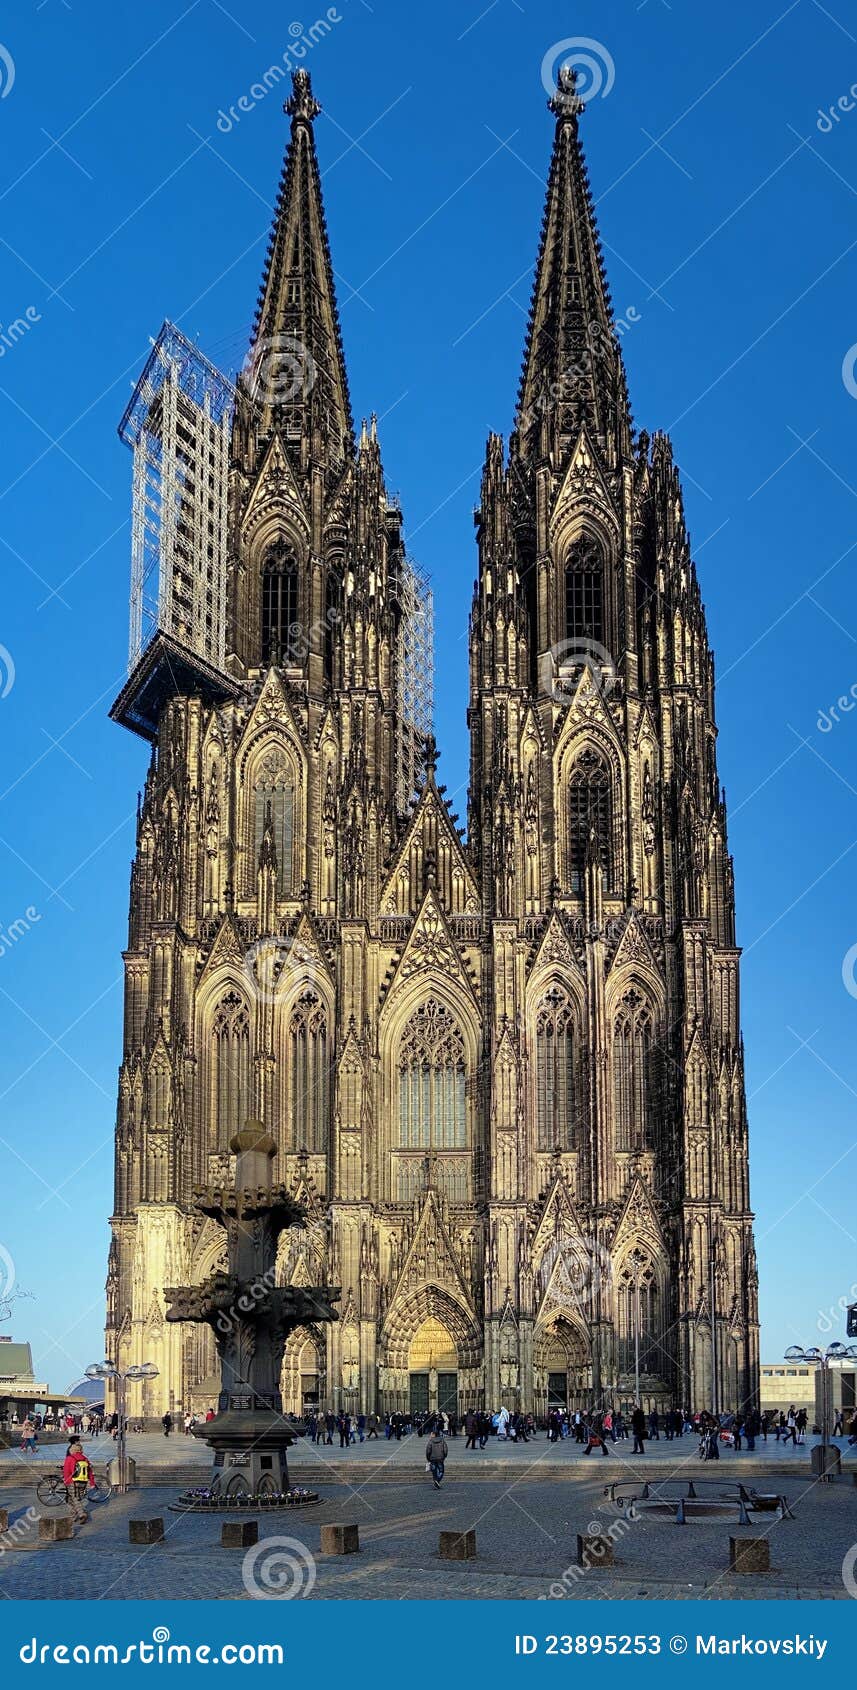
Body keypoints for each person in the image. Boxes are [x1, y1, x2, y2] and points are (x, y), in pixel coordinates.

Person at [63, 1438, 94, 1524]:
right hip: (83, 1482)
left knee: (75, 1499)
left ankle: (82, 1514)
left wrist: (66, 1481)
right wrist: (92, 1482)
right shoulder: (85, 1459)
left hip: (73, 1482)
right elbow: (90, 1471)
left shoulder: (70, 1458)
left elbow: (66, 1471)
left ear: (73, 1450)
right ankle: (73, 1516)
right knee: (69, 1499)